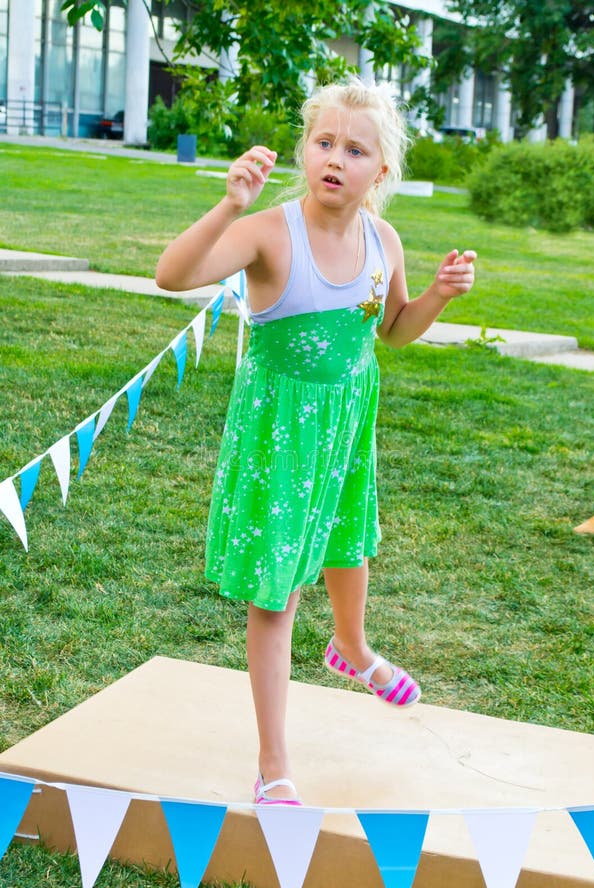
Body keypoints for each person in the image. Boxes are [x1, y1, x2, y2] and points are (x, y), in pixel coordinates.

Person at [156, 78, 476, 805]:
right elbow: (171, 275)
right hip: (279, 434)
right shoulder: (270, 233)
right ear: (304, 150)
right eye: (323, 142)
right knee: (276, 593)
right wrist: (229, 203)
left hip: (345, 420)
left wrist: (436, 297)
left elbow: (391, 330)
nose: (335, 158)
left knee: (347, 544)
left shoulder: (381, 239)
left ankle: (352, 649)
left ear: (381, 172)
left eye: (355, 149)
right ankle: (274, 764)